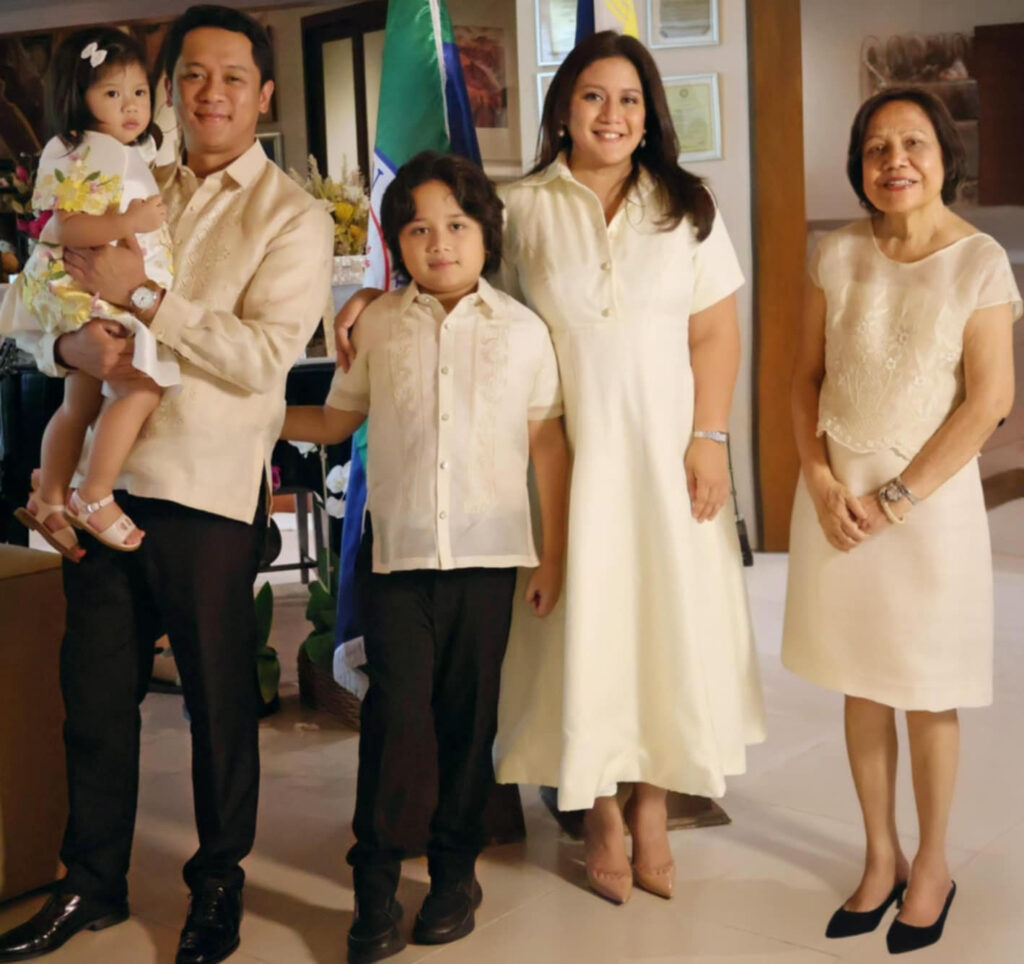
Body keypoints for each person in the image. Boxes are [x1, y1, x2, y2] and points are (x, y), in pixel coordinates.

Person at [336, 32, 765, 906]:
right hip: (569, 457)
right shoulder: (521, 206)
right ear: (564, 109)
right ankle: (597, 807)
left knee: (666, 629)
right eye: (594, 97)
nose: (612, 114)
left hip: (671, 455)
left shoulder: (687, 206)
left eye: (630, 99)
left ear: (650, 118)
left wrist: (711, 438)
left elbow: (715, 332)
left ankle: (654, 805)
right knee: (584, 633)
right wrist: (374, 296)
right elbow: (449, 276)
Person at [0, 6, 333, 964]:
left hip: (210, 494)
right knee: (94, 696)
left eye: (232, 76)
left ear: (264, 95)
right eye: (192, 76)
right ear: (170, 90)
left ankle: (217, 885)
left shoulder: (293, 217)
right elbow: (41, 294)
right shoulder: (124, 173)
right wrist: (63, 337)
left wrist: (144, 296)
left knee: (219, 706)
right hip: (110, 488)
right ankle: (89, 883)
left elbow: (263, 357)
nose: (211, 93)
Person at [284, 150, 568, 964]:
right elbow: (337, 424)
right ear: (395, 243)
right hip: (396, 558)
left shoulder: (522, 333)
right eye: (417, 228)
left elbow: (547, 447)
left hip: (487, 560)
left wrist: (555, 559)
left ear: (485, 235)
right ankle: (373, 882)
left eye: (455, 225)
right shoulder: (374, 324)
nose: (438, 243)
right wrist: (250, 418)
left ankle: (454, 872)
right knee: (394, 720)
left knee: (465, 721)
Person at [782, 87, 1020, 955]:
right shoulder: (833, 252)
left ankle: (933, 864)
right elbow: (802, 376)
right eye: (878, 148)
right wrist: (814, 475)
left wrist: (898, 497)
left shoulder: (980, 261)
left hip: (926, 508)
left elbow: (991, 397)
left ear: (943, 156)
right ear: (860, 164)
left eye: (913, 144)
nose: (896, 162)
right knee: (862, 680)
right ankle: (879, 857)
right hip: (839, 500)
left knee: (925, 689)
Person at [0, 26, 178, 559]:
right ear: (77, 98)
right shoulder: (97, 151)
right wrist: (132, 217)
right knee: (142, 387)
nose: (131, 106)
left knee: (78, 401)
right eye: (112, 94)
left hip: (74, 291)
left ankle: (51, 495)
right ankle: (94, 495)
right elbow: (60, 227)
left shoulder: (77, 148)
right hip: (93, 292)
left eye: (139, 93)